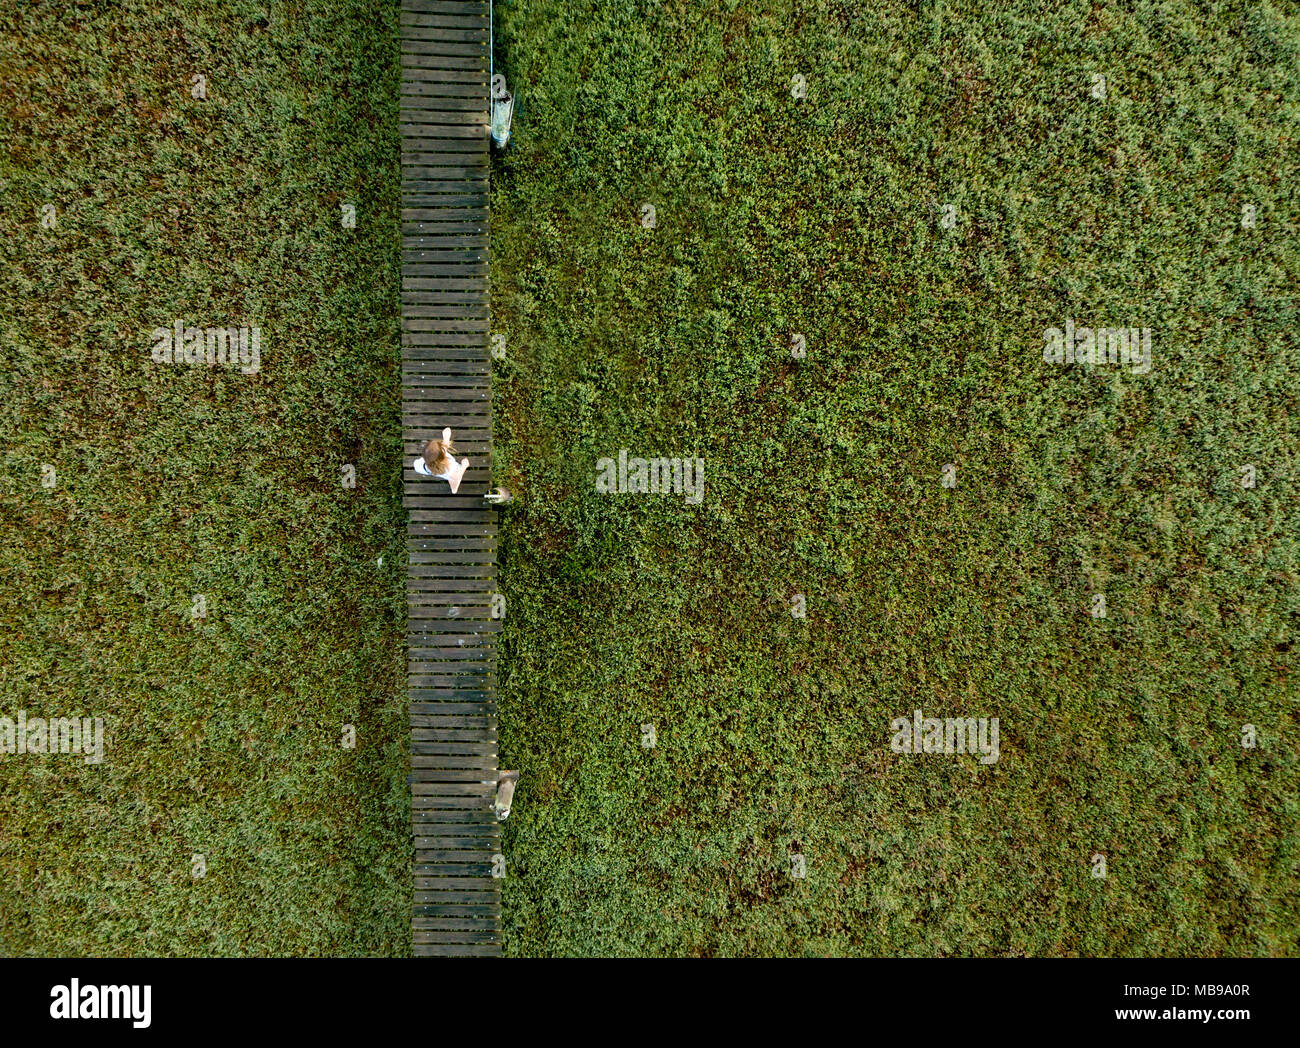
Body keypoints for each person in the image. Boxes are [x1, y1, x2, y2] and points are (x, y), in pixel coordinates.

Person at [413, 427, 469, 493]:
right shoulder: (450, 469)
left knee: (449, 476)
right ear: (442, 456)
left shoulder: (420, 464)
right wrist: (464, 466)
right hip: (450, 474)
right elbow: (457, 476)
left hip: (434, 470)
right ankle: (454, 489)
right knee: (454, 479)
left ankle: (450, 481)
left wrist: (446, 436)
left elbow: (443, 447)